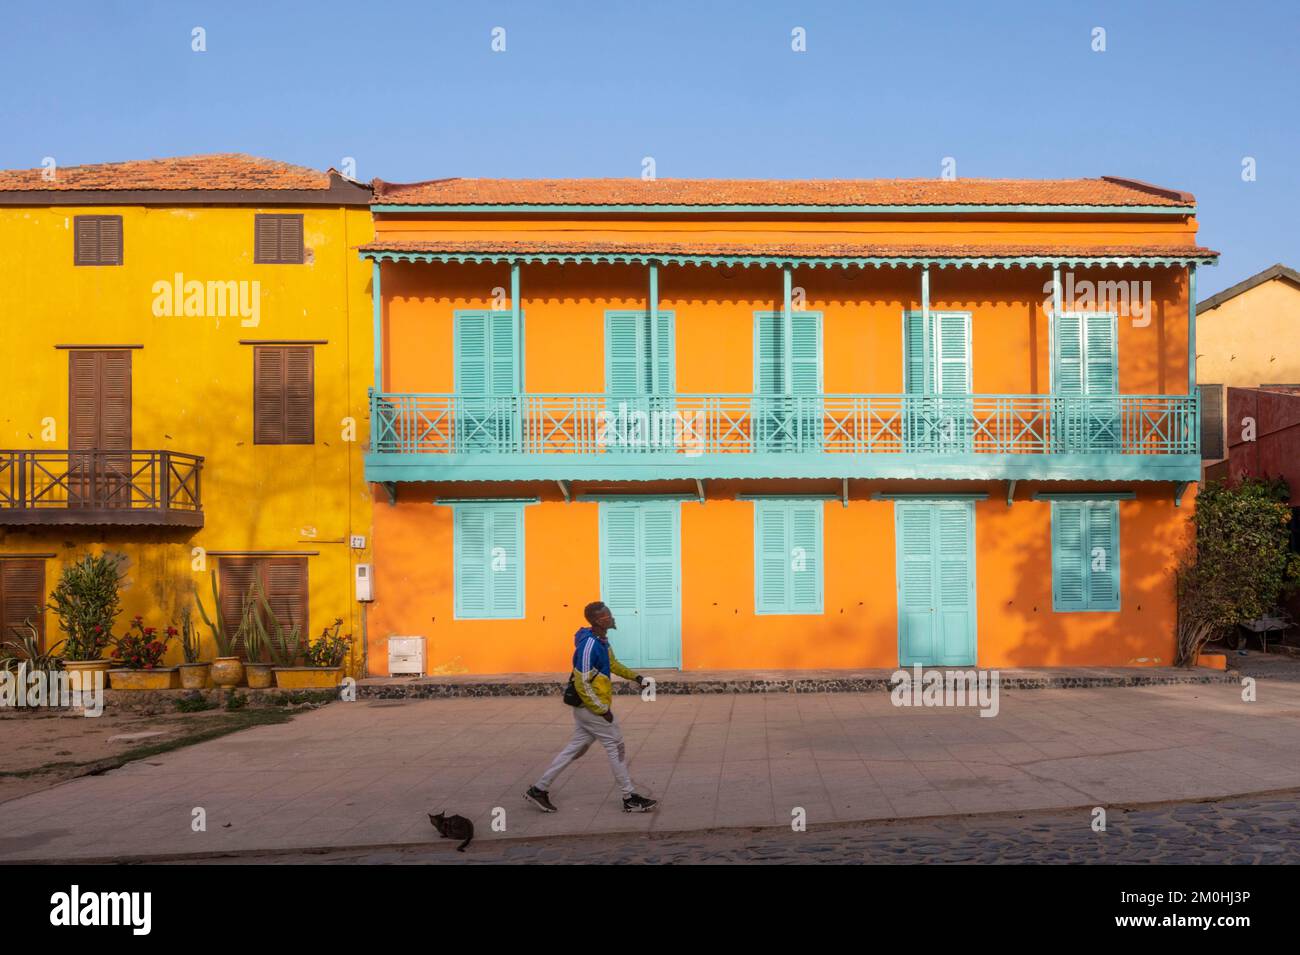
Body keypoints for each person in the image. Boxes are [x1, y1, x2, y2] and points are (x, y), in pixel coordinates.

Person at [524, 601, 658, 813]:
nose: (611, 617)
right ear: (596, 620)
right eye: (606, 615)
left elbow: (612, 664)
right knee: (615, 746)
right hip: (591, 709)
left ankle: (539, 789)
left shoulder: (602, 641)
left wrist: (637, 677)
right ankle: (629, 797)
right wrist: (601, 710)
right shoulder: (589, 646)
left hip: (589, 709)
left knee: (574, 749)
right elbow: (582, 683)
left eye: (610, 613)